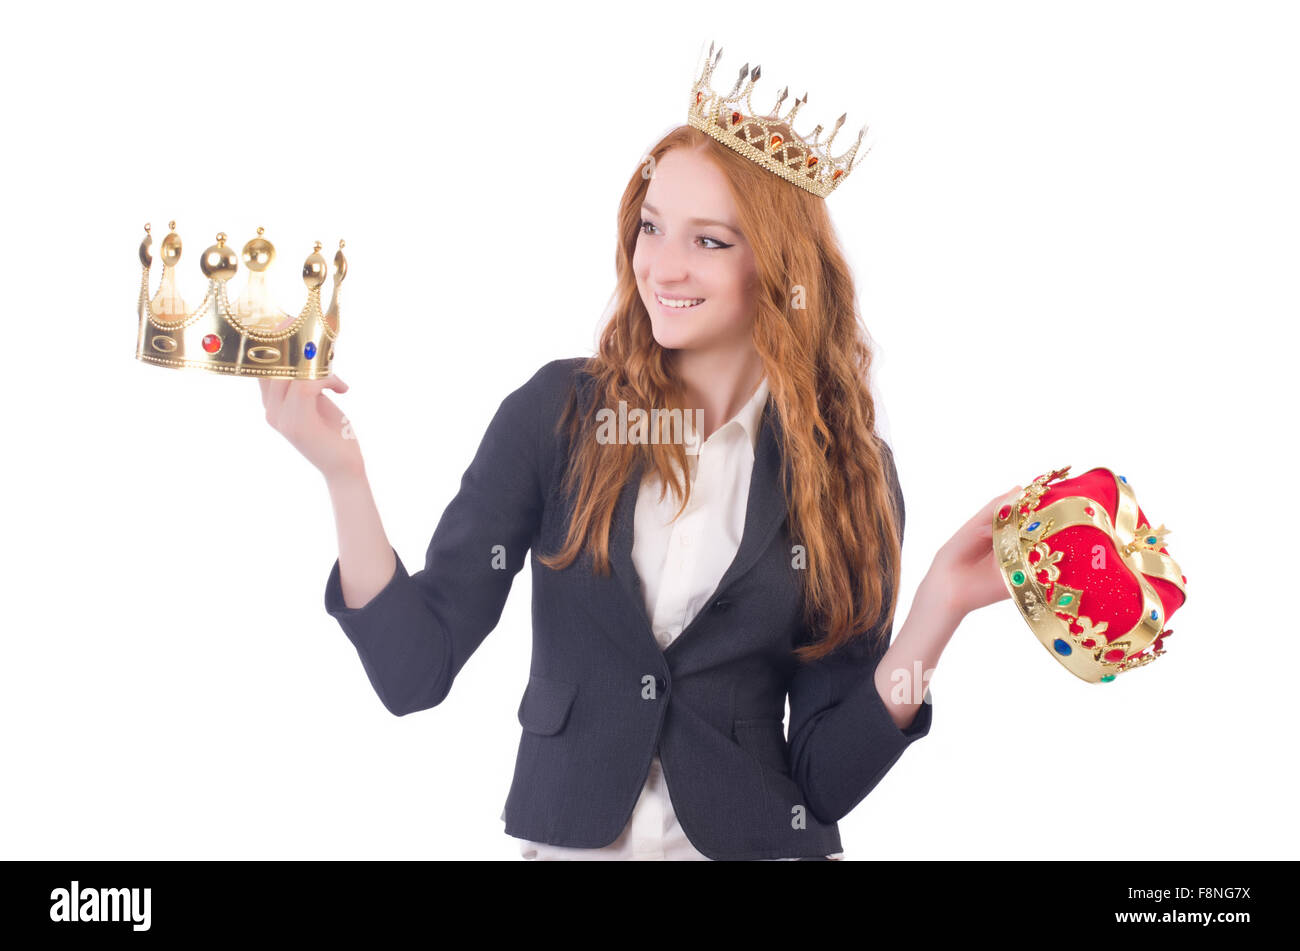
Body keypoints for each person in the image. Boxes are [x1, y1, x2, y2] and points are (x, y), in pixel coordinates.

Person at [259, 122, 1018, 860]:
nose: (662, 267)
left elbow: (824, 777)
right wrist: (343, 473)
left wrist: (936, 612)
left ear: (783, 270)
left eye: (709, 241)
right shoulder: (559, 415)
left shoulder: (846, 470)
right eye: (651, 228)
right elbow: (412, 673)